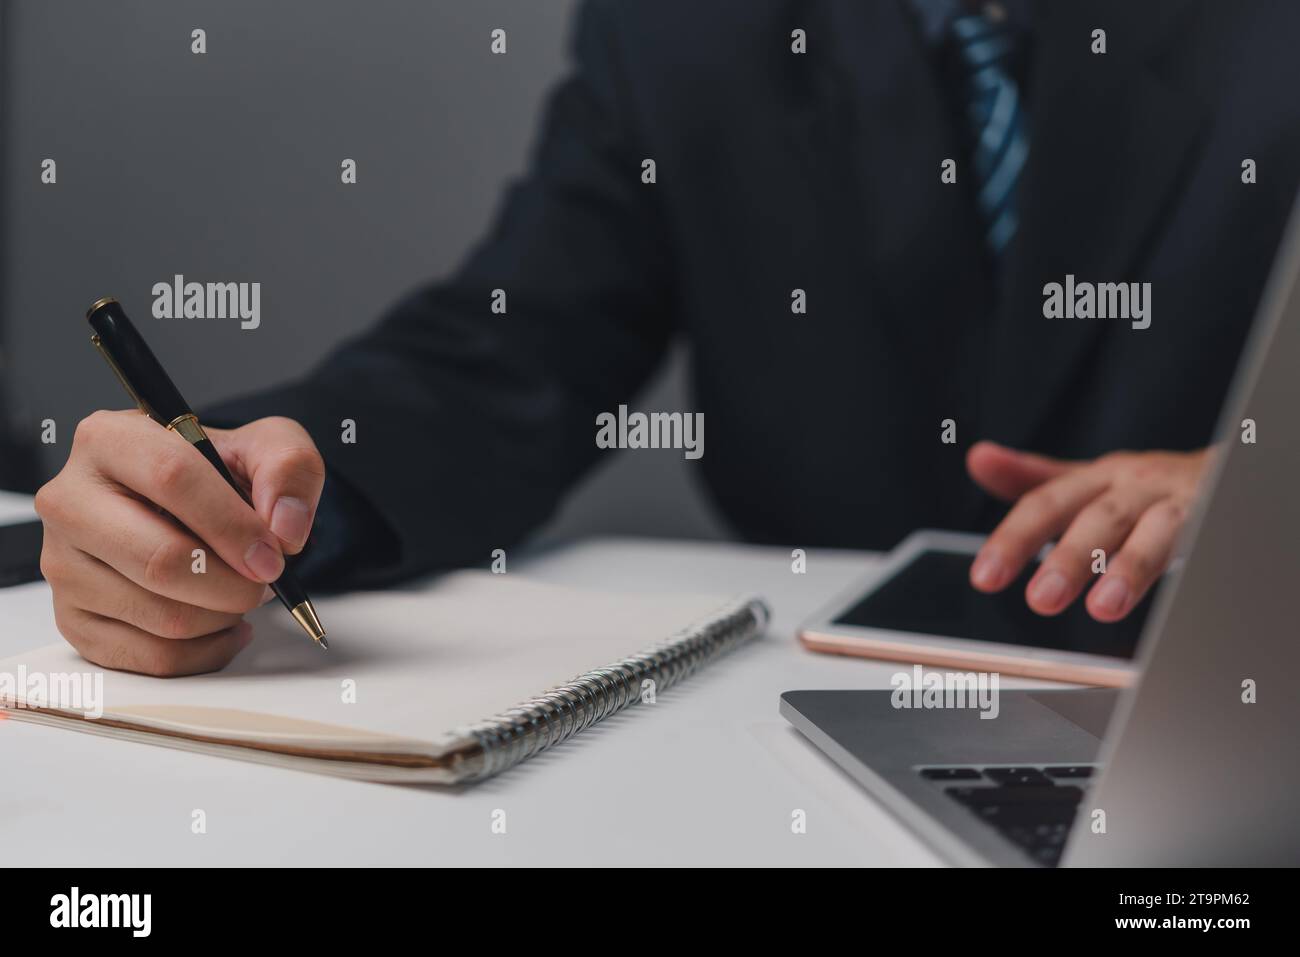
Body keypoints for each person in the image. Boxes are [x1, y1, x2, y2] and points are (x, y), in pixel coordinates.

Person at [33, 0, 1300, 675]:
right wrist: (260, 499)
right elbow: (507, 360)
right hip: (800, 719)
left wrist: (1261, 483)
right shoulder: (680, 25)